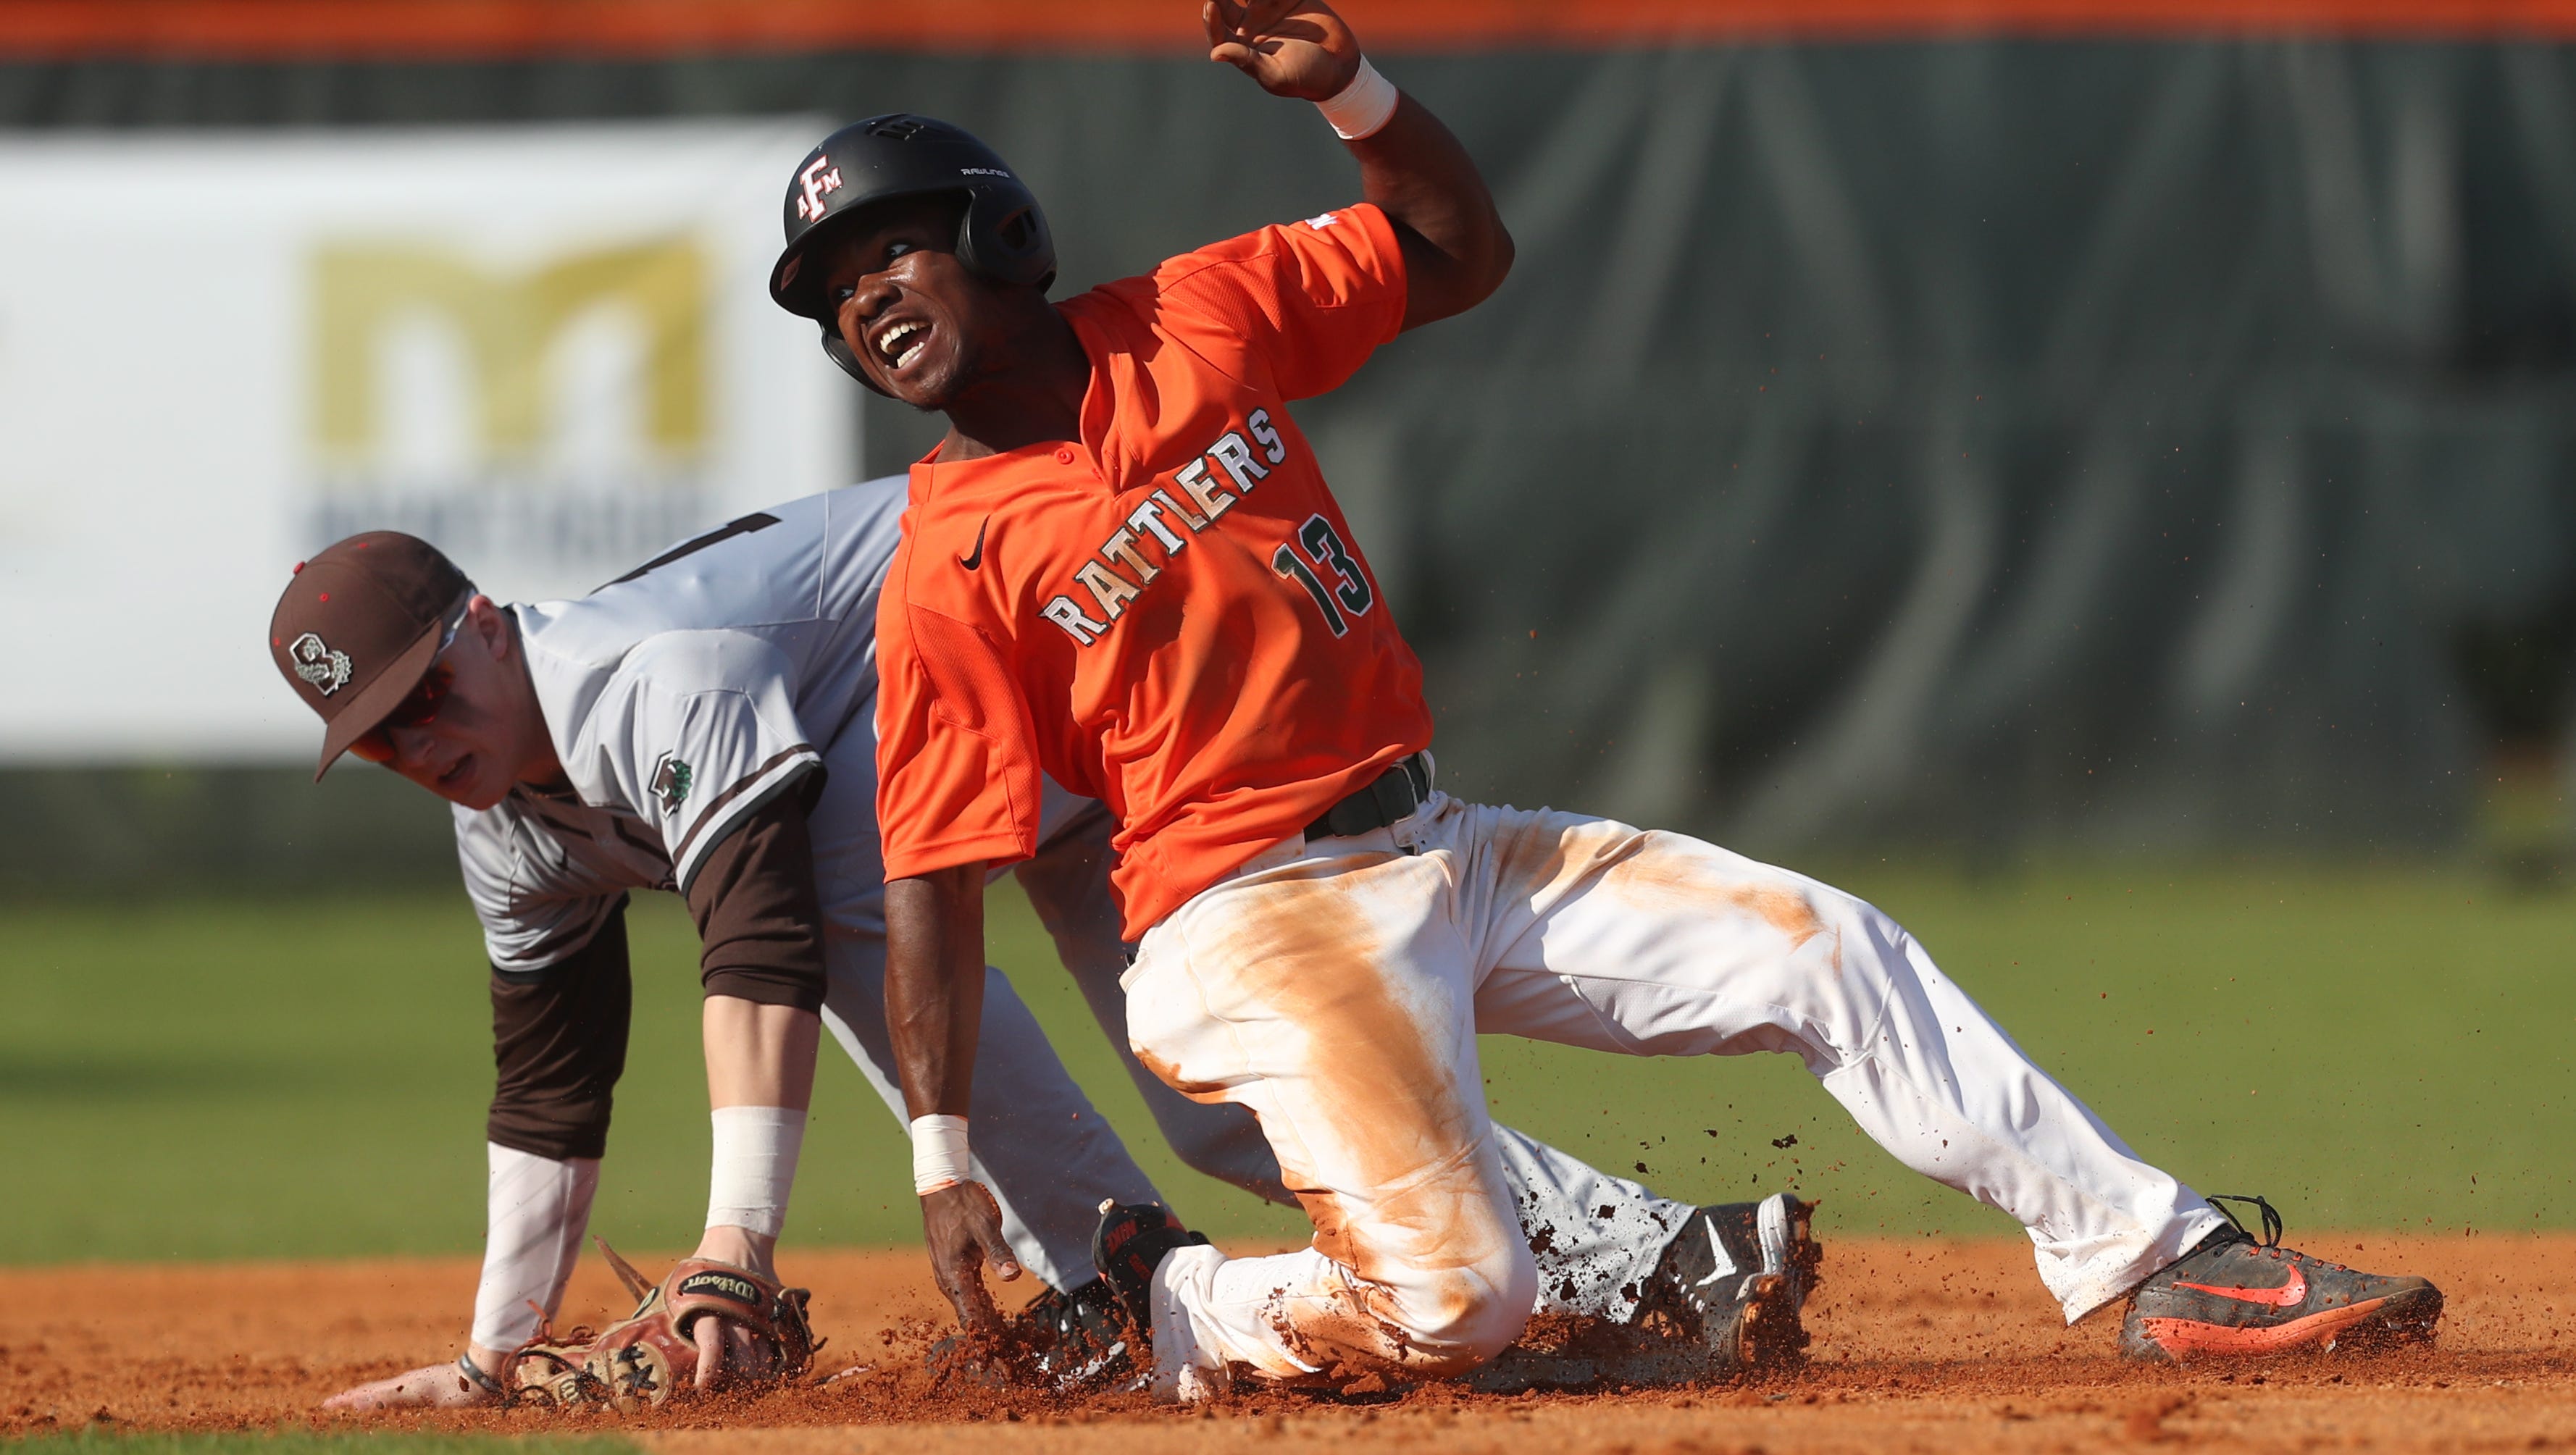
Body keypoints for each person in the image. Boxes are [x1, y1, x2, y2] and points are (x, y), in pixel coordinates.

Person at [781, 0, 2443, 1401]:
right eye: (836, 292)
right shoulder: (946, 561)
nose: (866, 299)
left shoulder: (1190, 316)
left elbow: (1459, 251)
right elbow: (931, 867)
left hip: (1438, 842)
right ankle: (1186, 1312)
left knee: (1827, 950)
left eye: (887, 247)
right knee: (1462, 1310)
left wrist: (1353, 97)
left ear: (1001, 234)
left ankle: (2155, 1262)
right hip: (1246, 919)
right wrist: (939, 1158)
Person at [268, 485, 1820, 1409]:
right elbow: (548, 1096)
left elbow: (761, 957)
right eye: (375, 731)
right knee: (1219, 1106)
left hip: (1070, 649)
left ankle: (1108, 1282)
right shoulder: (504, 818)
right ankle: (1659, 1254)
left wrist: (734, 1252)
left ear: (482, 621)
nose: (414, 736)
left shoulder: (640, 676)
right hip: (956, 744)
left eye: (422, 690)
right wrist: (491, 1357)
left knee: (876, 906)